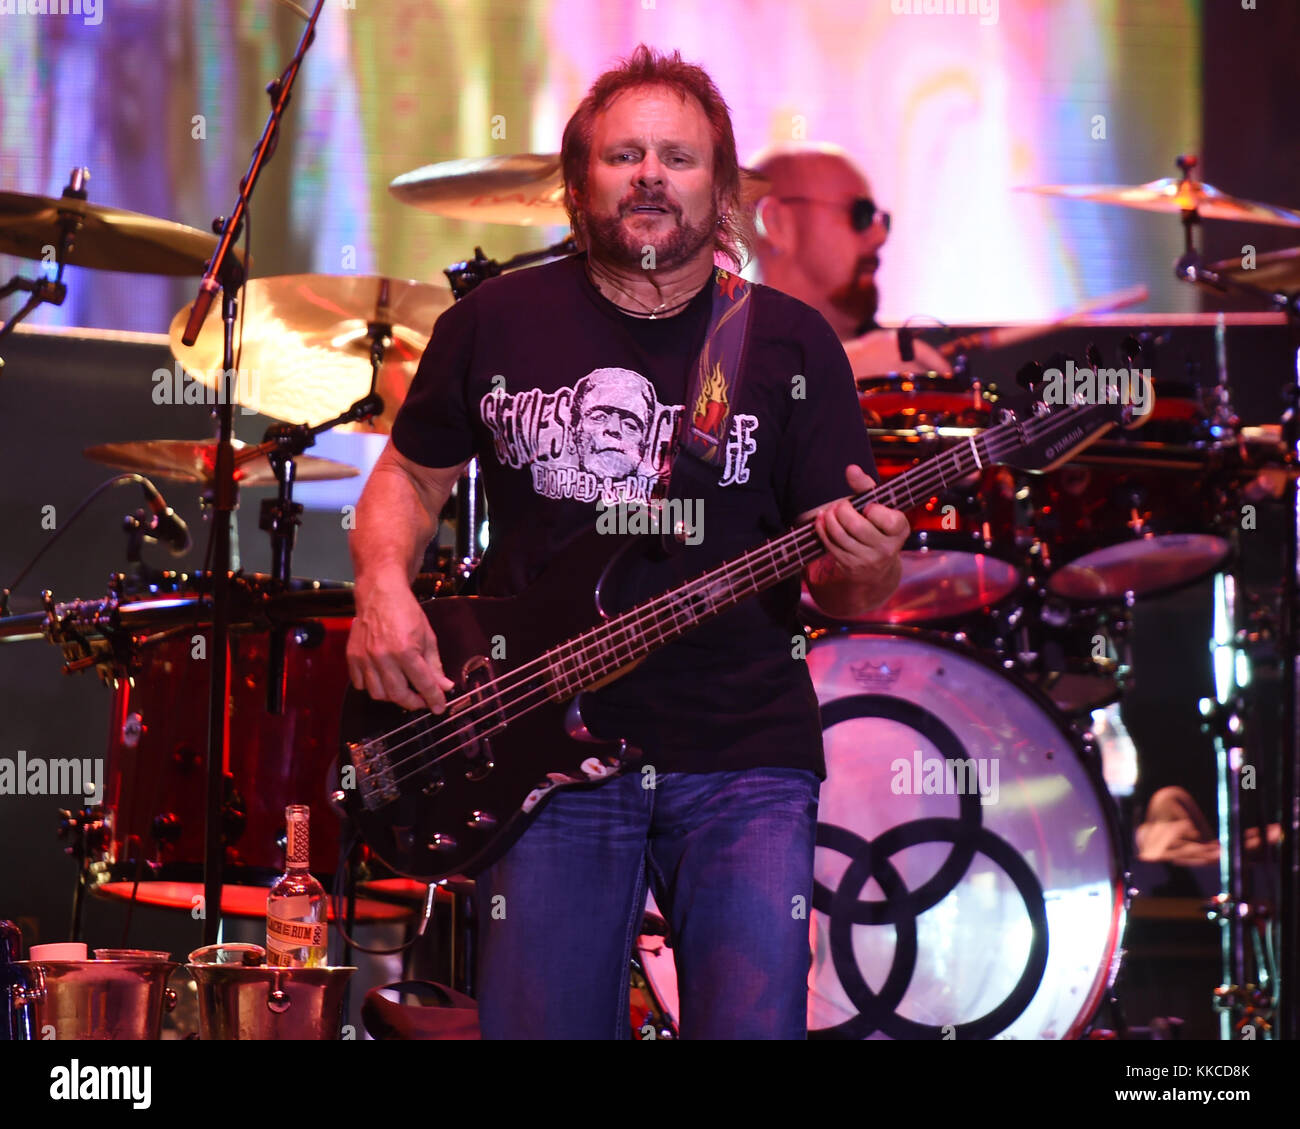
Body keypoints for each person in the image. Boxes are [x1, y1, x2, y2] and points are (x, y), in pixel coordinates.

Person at [345, 44, 908, 1039]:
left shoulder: (783, 343)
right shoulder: (494, 321)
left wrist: (865, 562)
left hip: (743, 753)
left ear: (724, 191)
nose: (651, 175)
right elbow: (410, 473)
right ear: (576, 183)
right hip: (535, 751)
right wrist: (381, 586)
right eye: (625, 154)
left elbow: (851, 592)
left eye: (679, 158)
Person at [748, 142, 948, 373]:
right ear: (775, 223)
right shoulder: (709, 358)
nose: (879, 236)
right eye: (860, 214)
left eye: (881, 220)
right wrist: (839, 370)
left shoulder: (900, 362)